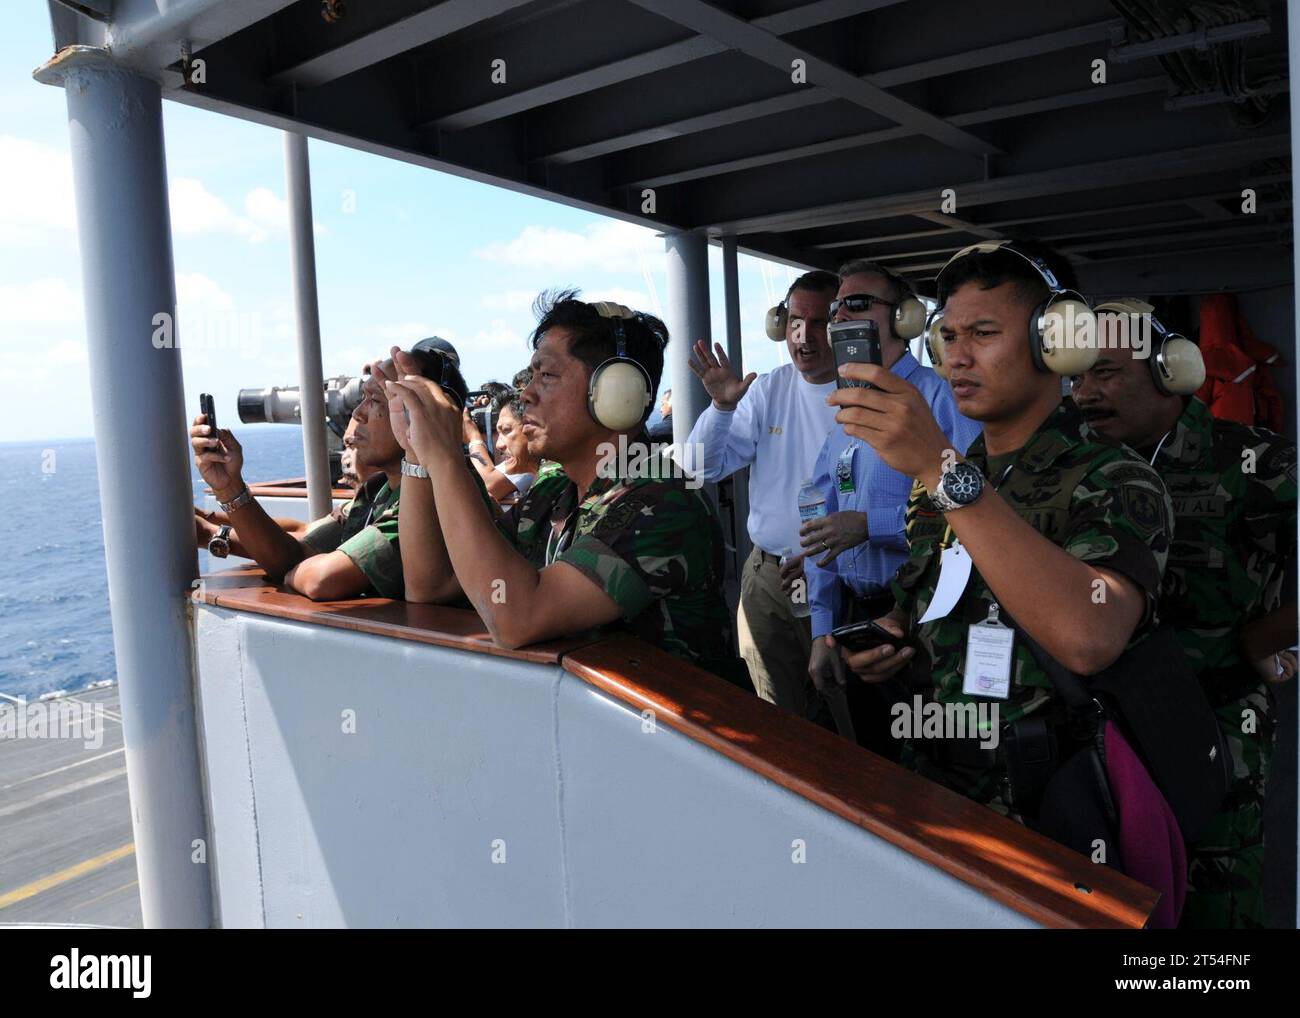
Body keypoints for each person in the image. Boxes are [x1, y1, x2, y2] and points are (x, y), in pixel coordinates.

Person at [830, 241, 1174, 831]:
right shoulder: (949, 477)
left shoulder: (1112, 477)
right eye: (949, 337)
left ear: (1055, 345)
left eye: (983, 334)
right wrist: (893, 638)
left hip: (1049, 802)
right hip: (938, 780)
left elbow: (1090, 636)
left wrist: (939, 469)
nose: (957, 358)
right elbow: (932, 606)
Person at [1071, 298, 1298, 928]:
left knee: (1212, 911)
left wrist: (1265, 639)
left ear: (1171, 371)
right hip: (1093, 731)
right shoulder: (1073, 467)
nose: (1085, 393)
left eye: (1106, 373)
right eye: (1076, 376)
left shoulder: (1253, 463)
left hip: (1210, 726)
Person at [389, 290, 742, 681]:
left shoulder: (664, 501)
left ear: (616, 393)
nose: (526, 394)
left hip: (681, 735)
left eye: (548, 375)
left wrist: (445, 456)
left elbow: (517, 617)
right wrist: (416, 454)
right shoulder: (552, 493)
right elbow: (431, 585)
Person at [804, 260, 981, 745]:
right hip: (853, 623)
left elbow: (978, 508)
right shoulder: (847, 409)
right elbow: (823, 523)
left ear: (904, 317)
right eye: (837, 307)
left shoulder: (940, 399)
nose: (840, 316)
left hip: (926, 623)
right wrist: (823, 630)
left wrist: (871, 524)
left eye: (857, 304)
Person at [191, 347, 466, 600]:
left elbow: (322, 580)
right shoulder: (379, 489)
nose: (357, 413)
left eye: (377, 401)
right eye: (363, 399)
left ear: (425, 412)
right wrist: (229, 489)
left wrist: (292, 571)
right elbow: (296, 551)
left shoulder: (431, 494)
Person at [685, 270, 841, 714]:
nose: (803, 337)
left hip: (841, 577)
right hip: (769, 577)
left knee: (847, 712)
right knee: (776, 717)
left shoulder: (865, 391)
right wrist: (721, 406)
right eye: (795, 322)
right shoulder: (768, 389)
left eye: (819, 324)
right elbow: (700, 467)